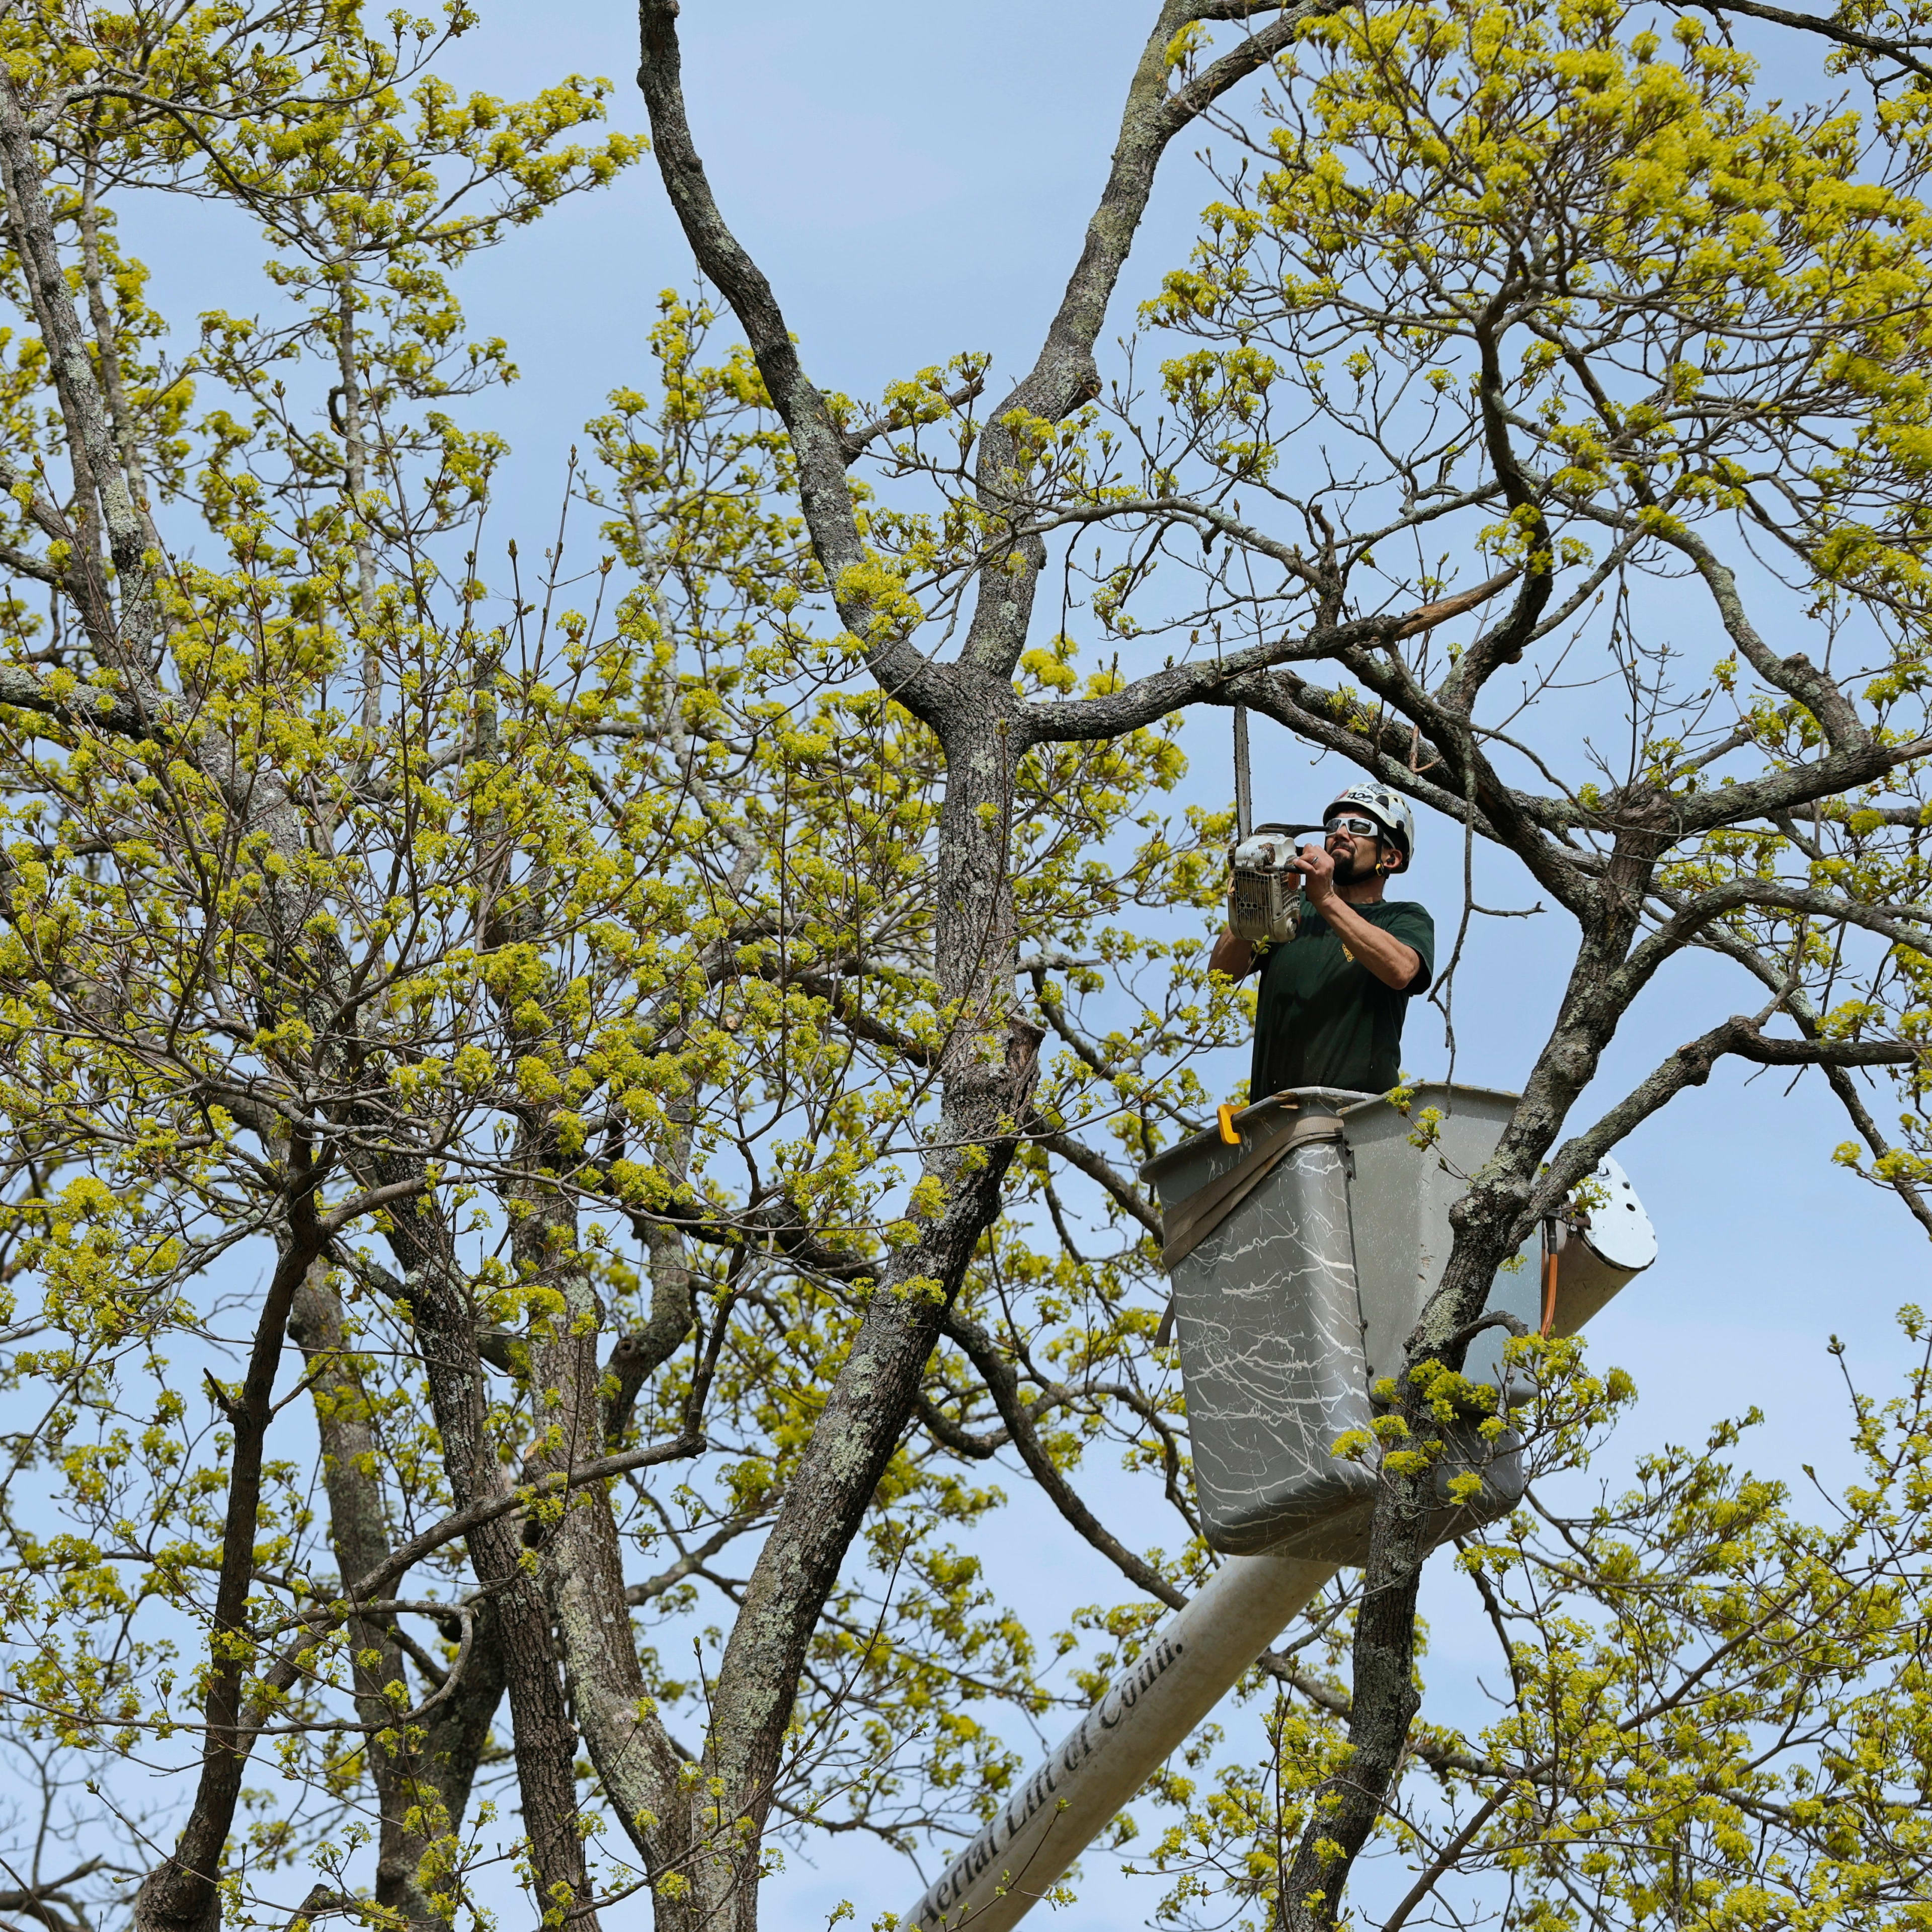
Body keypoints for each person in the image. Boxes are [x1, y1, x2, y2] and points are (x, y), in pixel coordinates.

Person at [1209, 783, 1434, 1100]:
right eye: (1333, 826)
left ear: (1392, 858)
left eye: (1358, 827)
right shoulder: (1291, 909)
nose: (1340, 833)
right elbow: (1222, 974)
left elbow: (1401, 970)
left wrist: (1325, 897)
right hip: (1273, 1118)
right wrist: (1256, 895)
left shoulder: (1404, 918)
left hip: (1356, 1123)